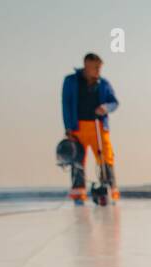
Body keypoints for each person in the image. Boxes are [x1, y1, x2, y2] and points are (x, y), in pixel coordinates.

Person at [61, 53, 119, 204]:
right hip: (78, 127)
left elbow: (114, 102)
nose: (98, 71)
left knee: (106, 158)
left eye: (100, 68)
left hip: (98, 126)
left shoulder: (104, 84)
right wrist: (68, 127)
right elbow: (66, 105)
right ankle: (78, 196)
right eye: (96, 68)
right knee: (77, 160)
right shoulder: (71, 82)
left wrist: (105, 108)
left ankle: (109, 191)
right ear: (87, 65)